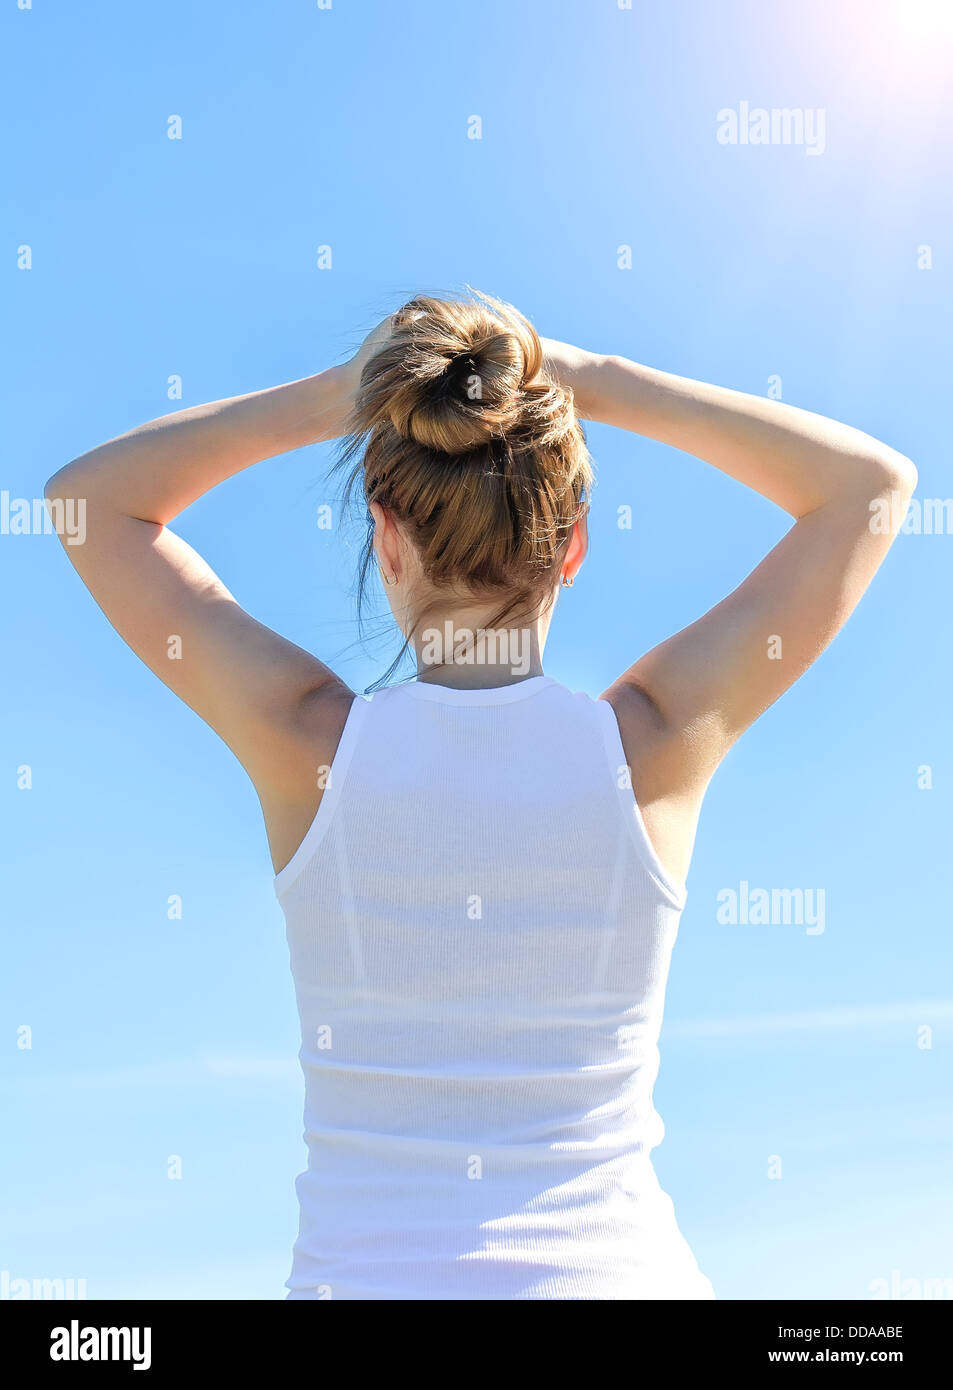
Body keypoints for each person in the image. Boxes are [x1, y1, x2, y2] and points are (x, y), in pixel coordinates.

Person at [45, 289, 915, 1300]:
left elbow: (89, 502)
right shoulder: (647, 744)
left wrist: (343, 394)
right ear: (574, 544)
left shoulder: (307, 742)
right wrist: (596, 379)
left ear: (386, 538)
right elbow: (867, 489)